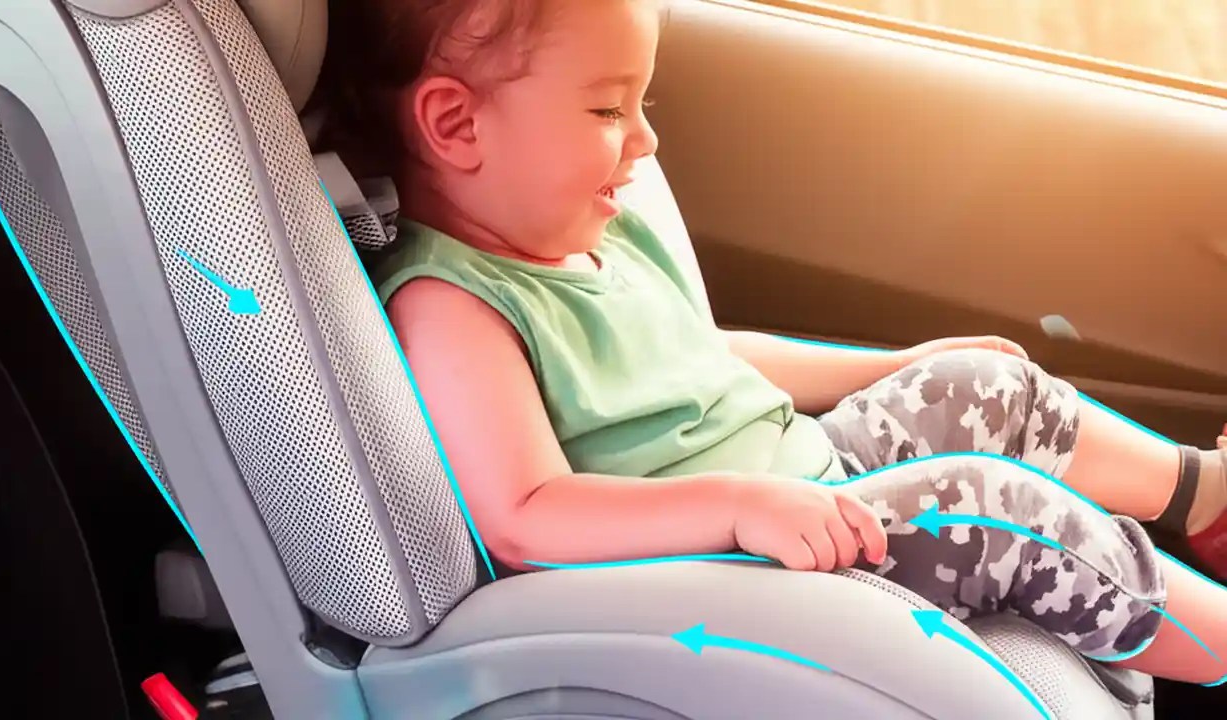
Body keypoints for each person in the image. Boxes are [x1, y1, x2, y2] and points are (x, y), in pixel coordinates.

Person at [331, 0, 1227, 686]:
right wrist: (738, 507)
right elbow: (525, 517)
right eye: (609, 111)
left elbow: (717, 355)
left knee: (984, 386)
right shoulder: (452, 307)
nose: (646, 138)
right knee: (994, 510)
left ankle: (1203, 499)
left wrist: (898, 367)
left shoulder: (595, 236)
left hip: (809, 476)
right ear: (455, 125)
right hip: (752, 566)